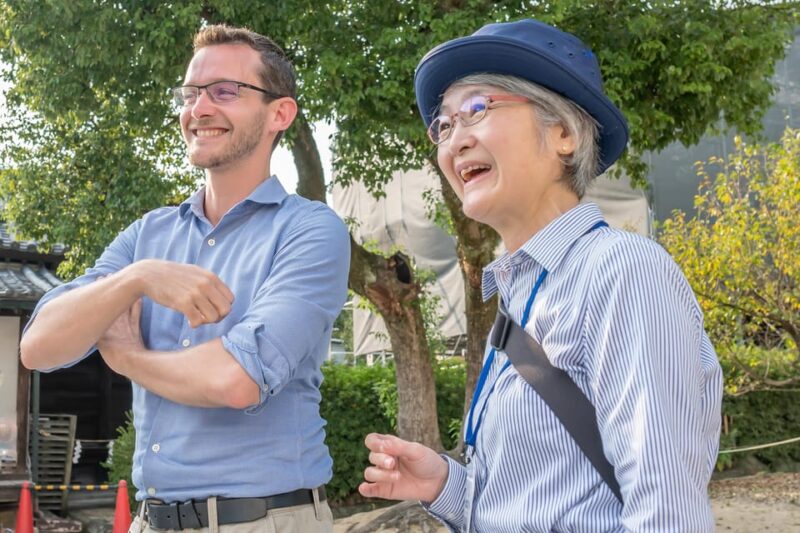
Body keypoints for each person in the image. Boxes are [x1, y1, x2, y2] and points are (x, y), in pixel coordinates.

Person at [359, 19, 722, 532]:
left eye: (477, 110)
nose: (453, 142)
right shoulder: (520, 300)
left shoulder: (622, 273)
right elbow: (534, 505)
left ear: (565, 134)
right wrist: (445, 483)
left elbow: (667, 514)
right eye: (443, 126)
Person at [20, 24, 349, 533]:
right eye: (191, 93)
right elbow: (39, 347)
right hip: (150, 522)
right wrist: (138, 278)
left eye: (225, 92)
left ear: (279, 114)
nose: (199, 109)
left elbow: (235, 379)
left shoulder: (310, 230)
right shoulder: (145, 239)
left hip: (263, 520)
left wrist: (128, 357)